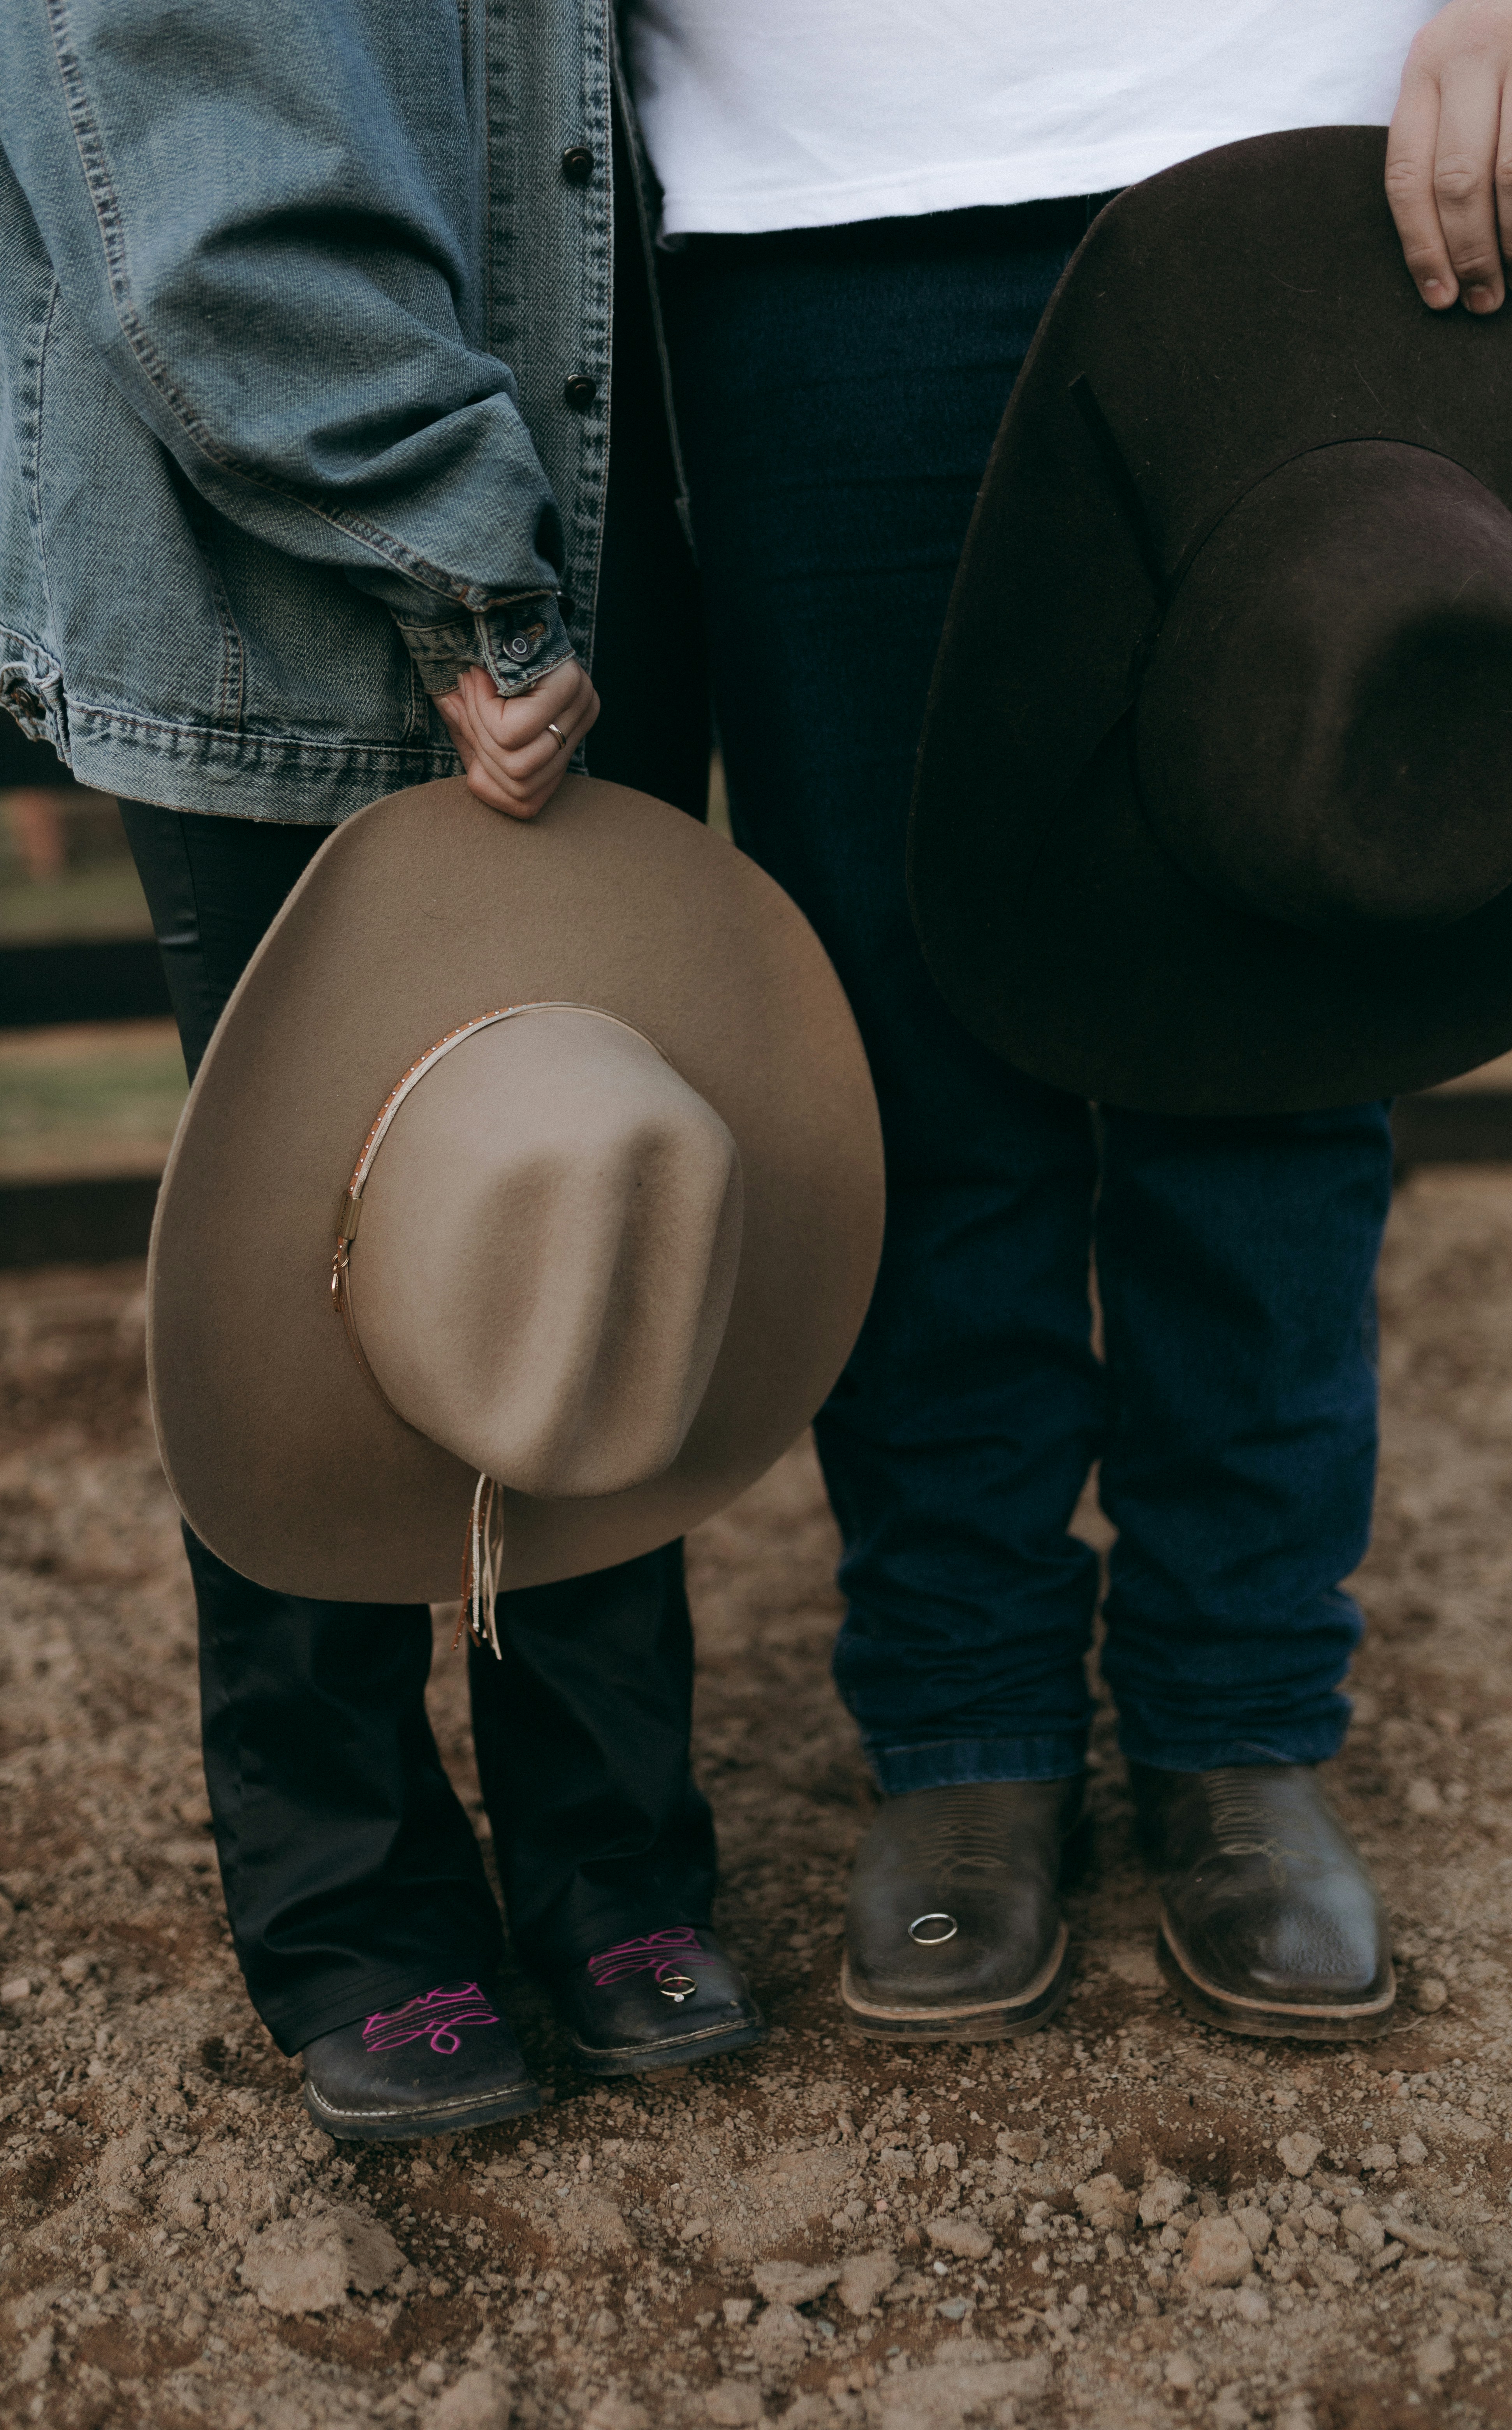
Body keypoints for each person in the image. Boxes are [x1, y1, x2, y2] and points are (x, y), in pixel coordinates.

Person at [624, 0, 1512, 2041]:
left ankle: (1241, 1722)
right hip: (815, 203)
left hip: (1309, 166)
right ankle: (966, 1730)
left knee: (1278, 1013)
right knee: (898, 1040)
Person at [0, 3, 768, 2136]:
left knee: (589, 1188)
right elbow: (191, 157)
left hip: (572, 524)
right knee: (319, 1256)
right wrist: (466, 573)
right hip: (327, 569)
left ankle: (613, 1848)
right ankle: (355, 1905)